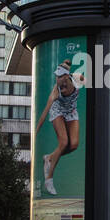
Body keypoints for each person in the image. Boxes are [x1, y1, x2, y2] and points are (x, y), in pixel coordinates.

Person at [36, 58, 81, 195]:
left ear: (67, 76)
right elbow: (44, 113)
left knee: (73, 145)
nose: (58, 79)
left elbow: (89, 81)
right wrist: (35, 132)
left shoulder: (77, 79)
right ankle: (49, 179)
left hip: (72, 111)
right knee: (63, 142)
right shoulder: (56, 92)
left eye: (61, 76)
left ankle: (49, 157)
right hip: (58, 111)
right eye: (57, 76)